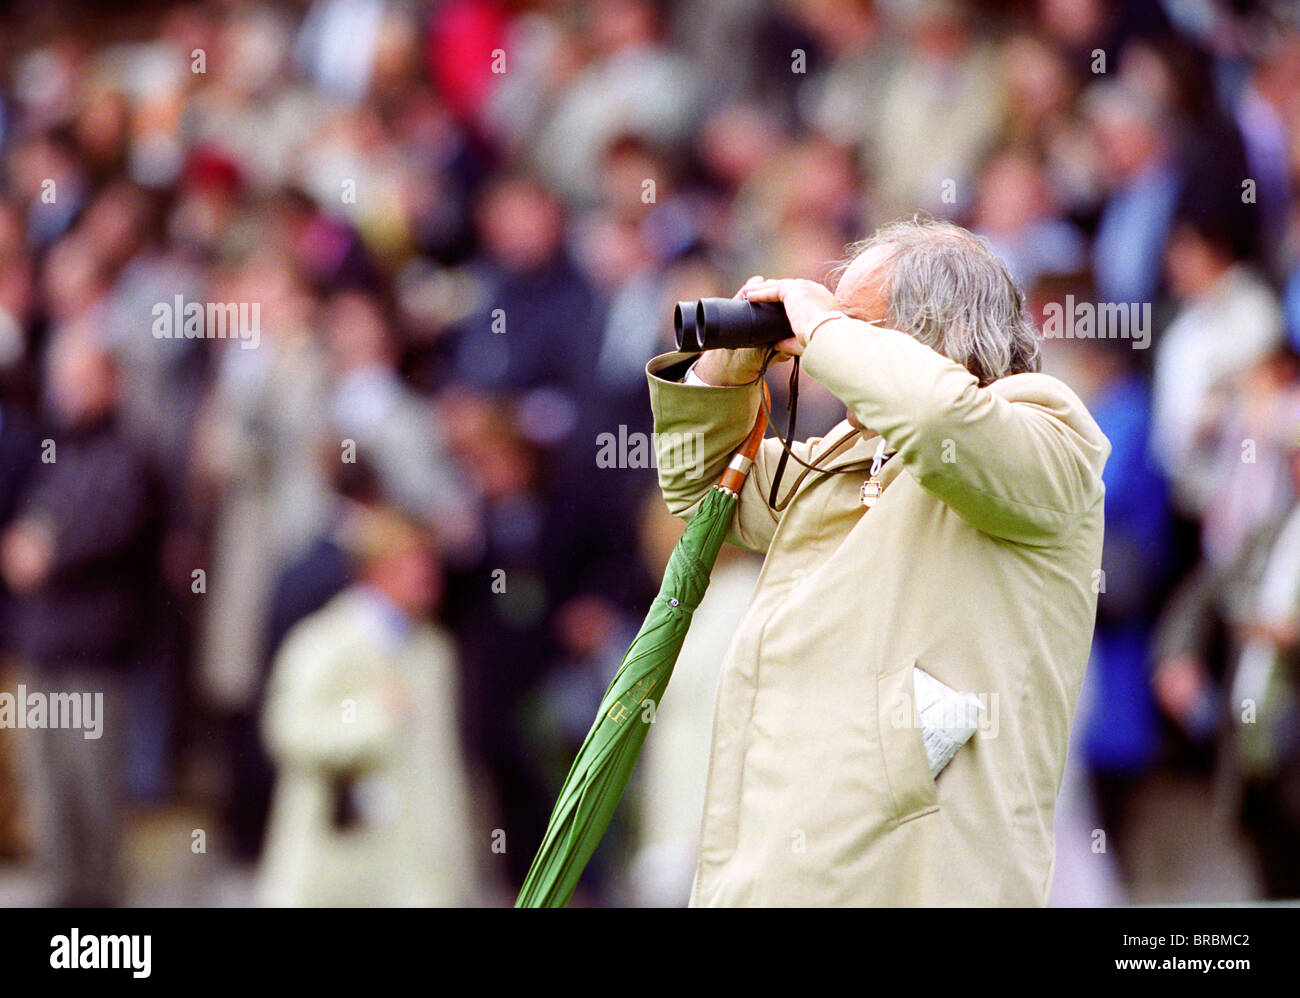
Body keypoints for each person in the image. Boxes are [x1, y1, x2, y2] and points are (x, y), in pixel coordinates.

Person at [647, 218, 1109, 906]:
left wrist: (827, 331)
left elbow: (939, 420)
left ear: (944, 334)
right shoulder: (851, 454)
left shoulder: (1047, 430)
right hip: (793, 868)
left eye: (859, 324)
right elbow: (700, 488)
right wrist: (724, 369)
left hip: (918, 879)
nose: (819, 343)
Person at [257, 506, 476, 906]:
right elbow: (287, 732)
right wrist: (371, 718)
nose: (429, 574)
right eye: (413, 561)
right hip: (337, 867)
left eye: (431, 561)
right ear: (376, 569)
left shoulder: (434, 651)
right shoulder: (323, 643)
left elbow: (443, 769)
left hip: (416, 868)